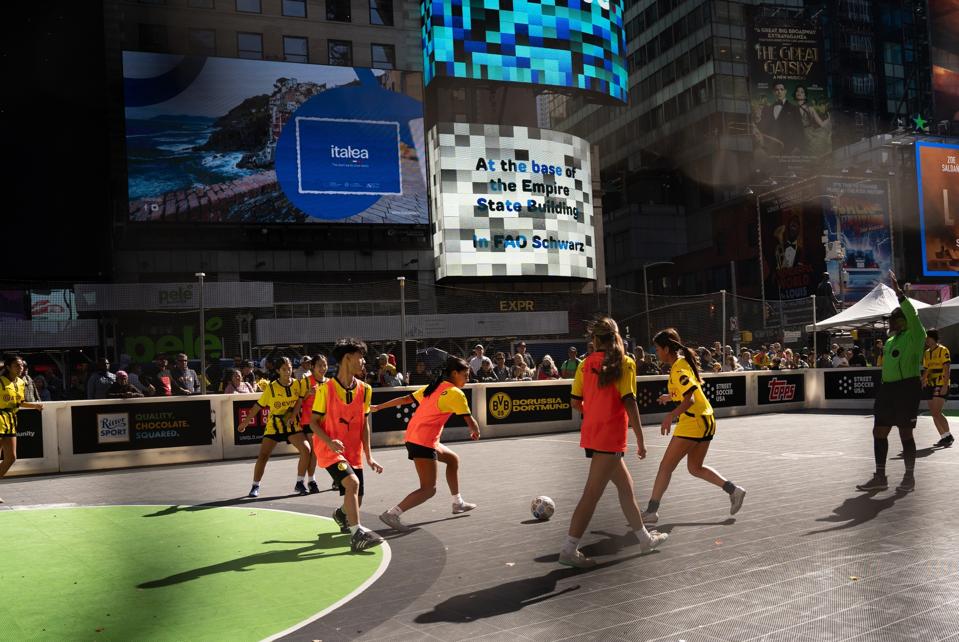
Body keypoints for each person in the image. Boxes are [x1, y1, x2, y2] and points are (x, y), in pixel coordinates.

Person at [555, 317, 666, 568]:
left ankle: (644, 539)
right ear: (616, 337)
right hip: (611, 437)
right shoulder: (625, 363)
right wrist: (640, 439)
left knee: (626, 487)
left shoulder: (584, 365)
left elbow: (575, 402)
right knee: (591, 494)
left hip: (594, 435)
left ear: (594, 339)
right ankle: (568, 549)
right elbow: (630, 402)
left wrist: (592, 410)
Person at [642, 328, 746, 524]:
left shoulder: (678, 368)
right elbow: (688, 392)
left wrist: (670, 416)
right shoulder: (682, 363)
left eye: (657, 349)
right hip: (706, 419)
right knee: (695, 468)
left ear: (666, 348)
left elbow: (688, 399)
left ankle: (651, 511)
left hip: (693, 421)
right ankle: (734, 490)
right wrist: (670, 396)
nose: (656, 352)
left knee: (665, 466)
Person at [374, 356, 480, 532]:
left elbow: (405, 399)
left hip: (417, 437)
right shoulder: (455, 393)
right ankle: (392, 513)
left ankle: (457, 503)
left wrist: (379, 407)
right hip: (422, 441)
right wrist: (475, 430)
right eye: (466, 375)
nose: (467, 378)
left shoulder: (434, 387)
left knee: (452, 460)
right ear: (454, 373)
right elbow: (470, 421)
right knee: (428, 489)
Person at [310, 340, 385, 552]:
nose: (364, 361)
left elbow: (364, 425)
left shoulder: (366, 389)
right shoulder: (325, 390)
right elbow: (313, 423)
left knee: (356, 500)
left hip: (352, 451)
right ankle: (357, 536)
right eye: (360, 356)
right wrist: (329, 442)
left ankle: (341, 514)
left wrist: (369, 456)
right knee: (352, 483)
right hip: (329, 450)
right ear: (347, 358)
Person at [857, 271, 926, 493]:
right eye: (891, 319)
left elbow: (912, 314)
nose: (892, 322)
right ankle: (880, 476)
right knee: (879, 432)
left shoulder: (916, 336)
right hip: (888, 390)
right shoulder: (890, 341)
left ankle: (909, 477)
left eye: (896, 318)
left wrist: (899, 293)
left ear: (904, 320)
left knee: (905, 433)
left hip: (907, 389)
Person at [236, 357, 311, 498]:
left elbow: (302, 400)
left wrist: (310, 393)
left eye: (289, 368)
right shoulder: (271, 388)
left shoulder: (297, 385)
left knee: (306, 450)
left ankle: (300, 482)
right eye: (284, 369)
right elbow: (258, 406)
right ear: (277, 371)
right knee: (263, 456)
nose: (287, 371)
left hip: (292, 425)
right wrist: (245, 422)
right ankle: (255, 485)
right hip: (274, 426)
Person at [0, 355, 43, 501]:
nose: (21, 368)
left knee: (11, 458)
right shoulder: (0, 381)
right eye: (17, 365)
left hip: (11, 420)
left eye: (22, 365)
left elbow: (20, 403)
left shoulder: (20, 382)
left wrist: (35, 405)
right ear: (8, 367)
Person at [295, 354, 329, 493]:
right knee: (311, 452)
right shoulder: (306, 382)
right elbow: (298, 403)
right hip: (309, 421)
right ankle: (306, 481)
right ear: (313, 367)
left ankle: (311, 481)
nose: (322, 368)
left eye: (324, 365)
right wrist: (308, 394)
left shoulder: (329, 382)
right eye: (319, 365)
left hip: (324, 423)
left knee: (317, 453)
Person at [921, 329, 953, 448]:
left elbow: (947, 368)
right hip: (930, 384)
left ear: (933, 338)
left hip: (940, 383)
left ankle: (948, 435)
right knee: (933, 413)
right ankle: (944, 437)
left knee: (936, 412)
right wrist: (923, 380)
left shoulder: (943, 350)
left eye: (928, 338)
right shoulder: (926, 353)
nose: (926, 340)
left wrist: (945, 385)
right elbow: (926, 369)